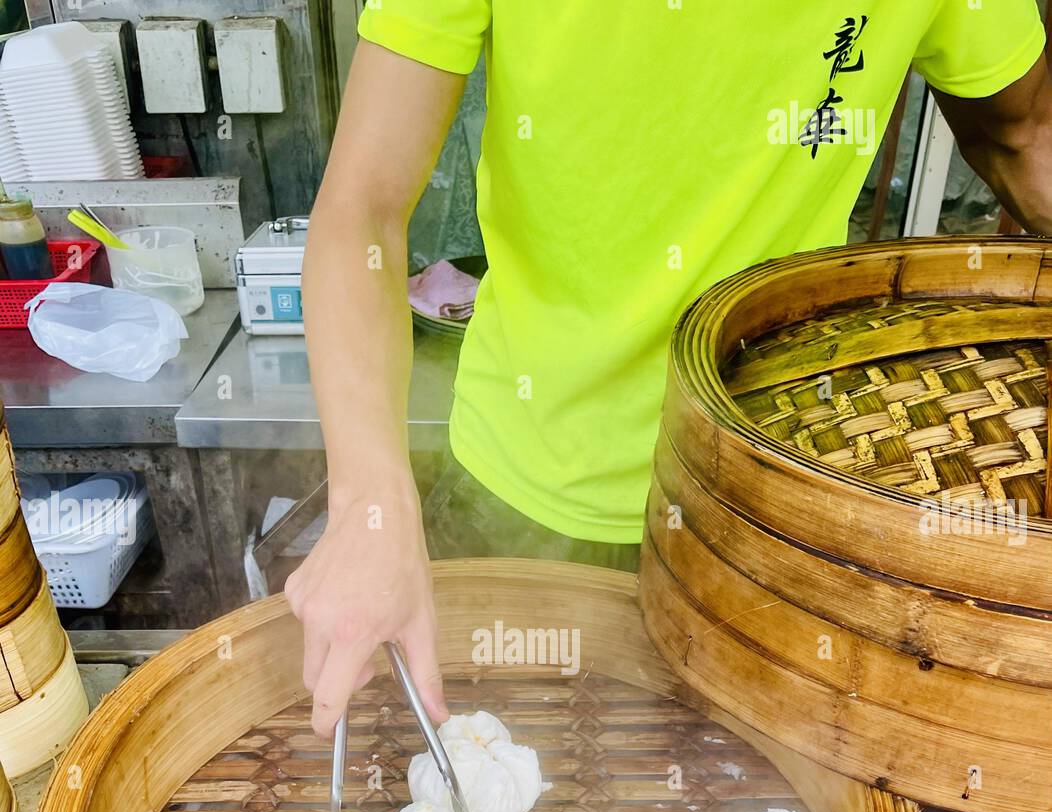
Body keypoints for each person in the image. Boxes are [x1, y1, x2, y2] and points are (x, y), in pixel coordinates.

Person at [286, 0, 1052, 737]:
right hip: (519, 497)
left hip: (776, 510)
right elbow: (364, 207)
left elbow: (1025, 131)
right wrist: (368, 506)